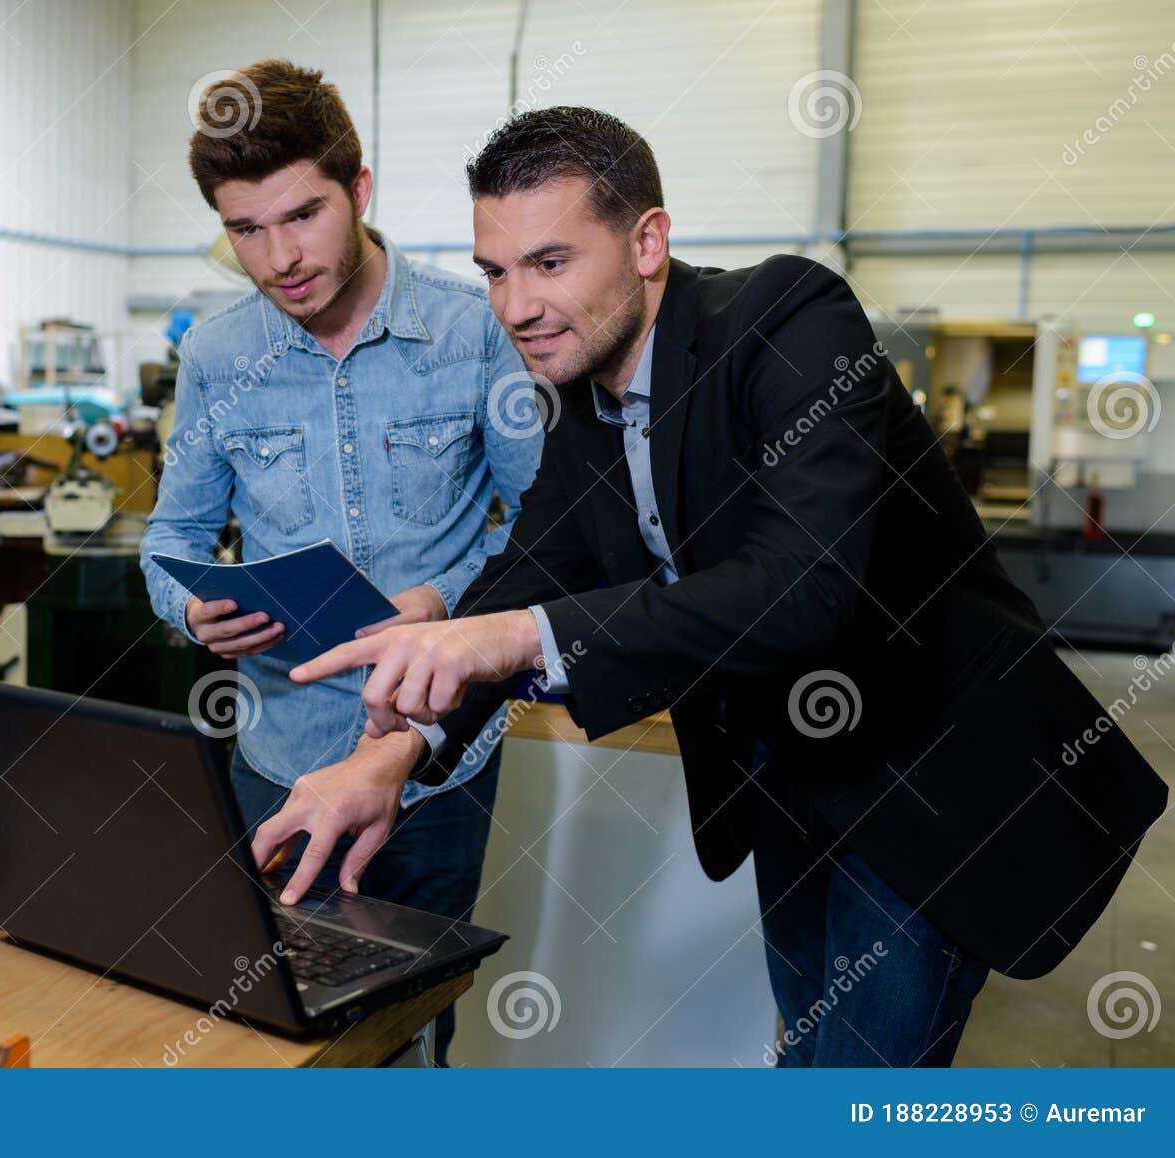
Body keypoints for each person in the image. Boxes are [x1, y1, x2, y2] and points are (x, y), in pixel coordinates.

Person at [252, 106, 1168, 1067]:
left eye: (551, 262)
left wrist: (522, 637)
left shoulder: (785, 320)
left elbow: (807, 588)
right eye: (495, 271)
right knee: (805, 1052)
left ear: (648, 241)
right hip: (792, 782)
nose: (515, 305)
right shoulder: (578, 392)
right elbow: (531, 569)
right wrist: (386, 759)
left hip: (923, 778)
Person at [138, 60, 543, 1063]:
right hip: (278, 764)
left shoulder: (473, 328)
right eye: (245, 230)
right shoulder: (219, 358)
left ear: (359, 190)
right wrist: (191, 612)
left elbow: (549, 527)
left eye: (302, 215)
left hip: (434, 766)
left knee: (407, 1047)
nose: (278, 258)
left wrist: (441, 604)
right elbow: (170, 543)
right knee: (274, 1045)